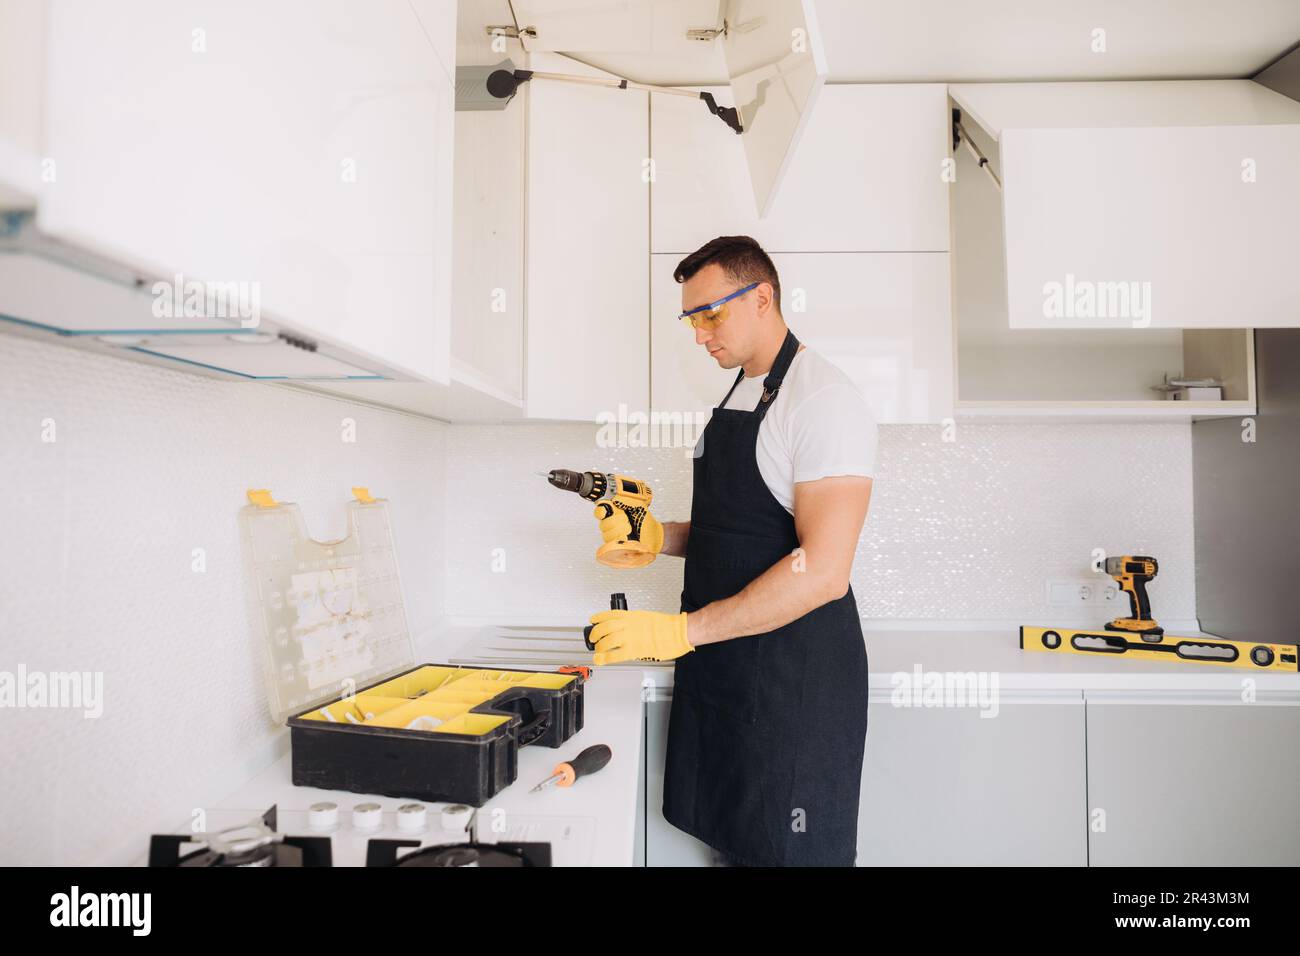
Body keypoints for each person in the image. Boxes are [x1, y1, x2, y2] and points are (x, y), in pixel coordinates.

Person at [586, 235, 877, 866]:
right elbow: (741, 528)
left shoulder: (822, 401)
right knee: (738, 850)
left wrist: (679, 631)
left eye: (710, 313)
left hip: (792, 686)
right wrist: (661, 537)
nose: (699, 335)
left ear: (763, 297)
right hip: (731, 675)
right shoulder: (742, 390)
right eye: (691, 318)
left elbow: (823, 570)